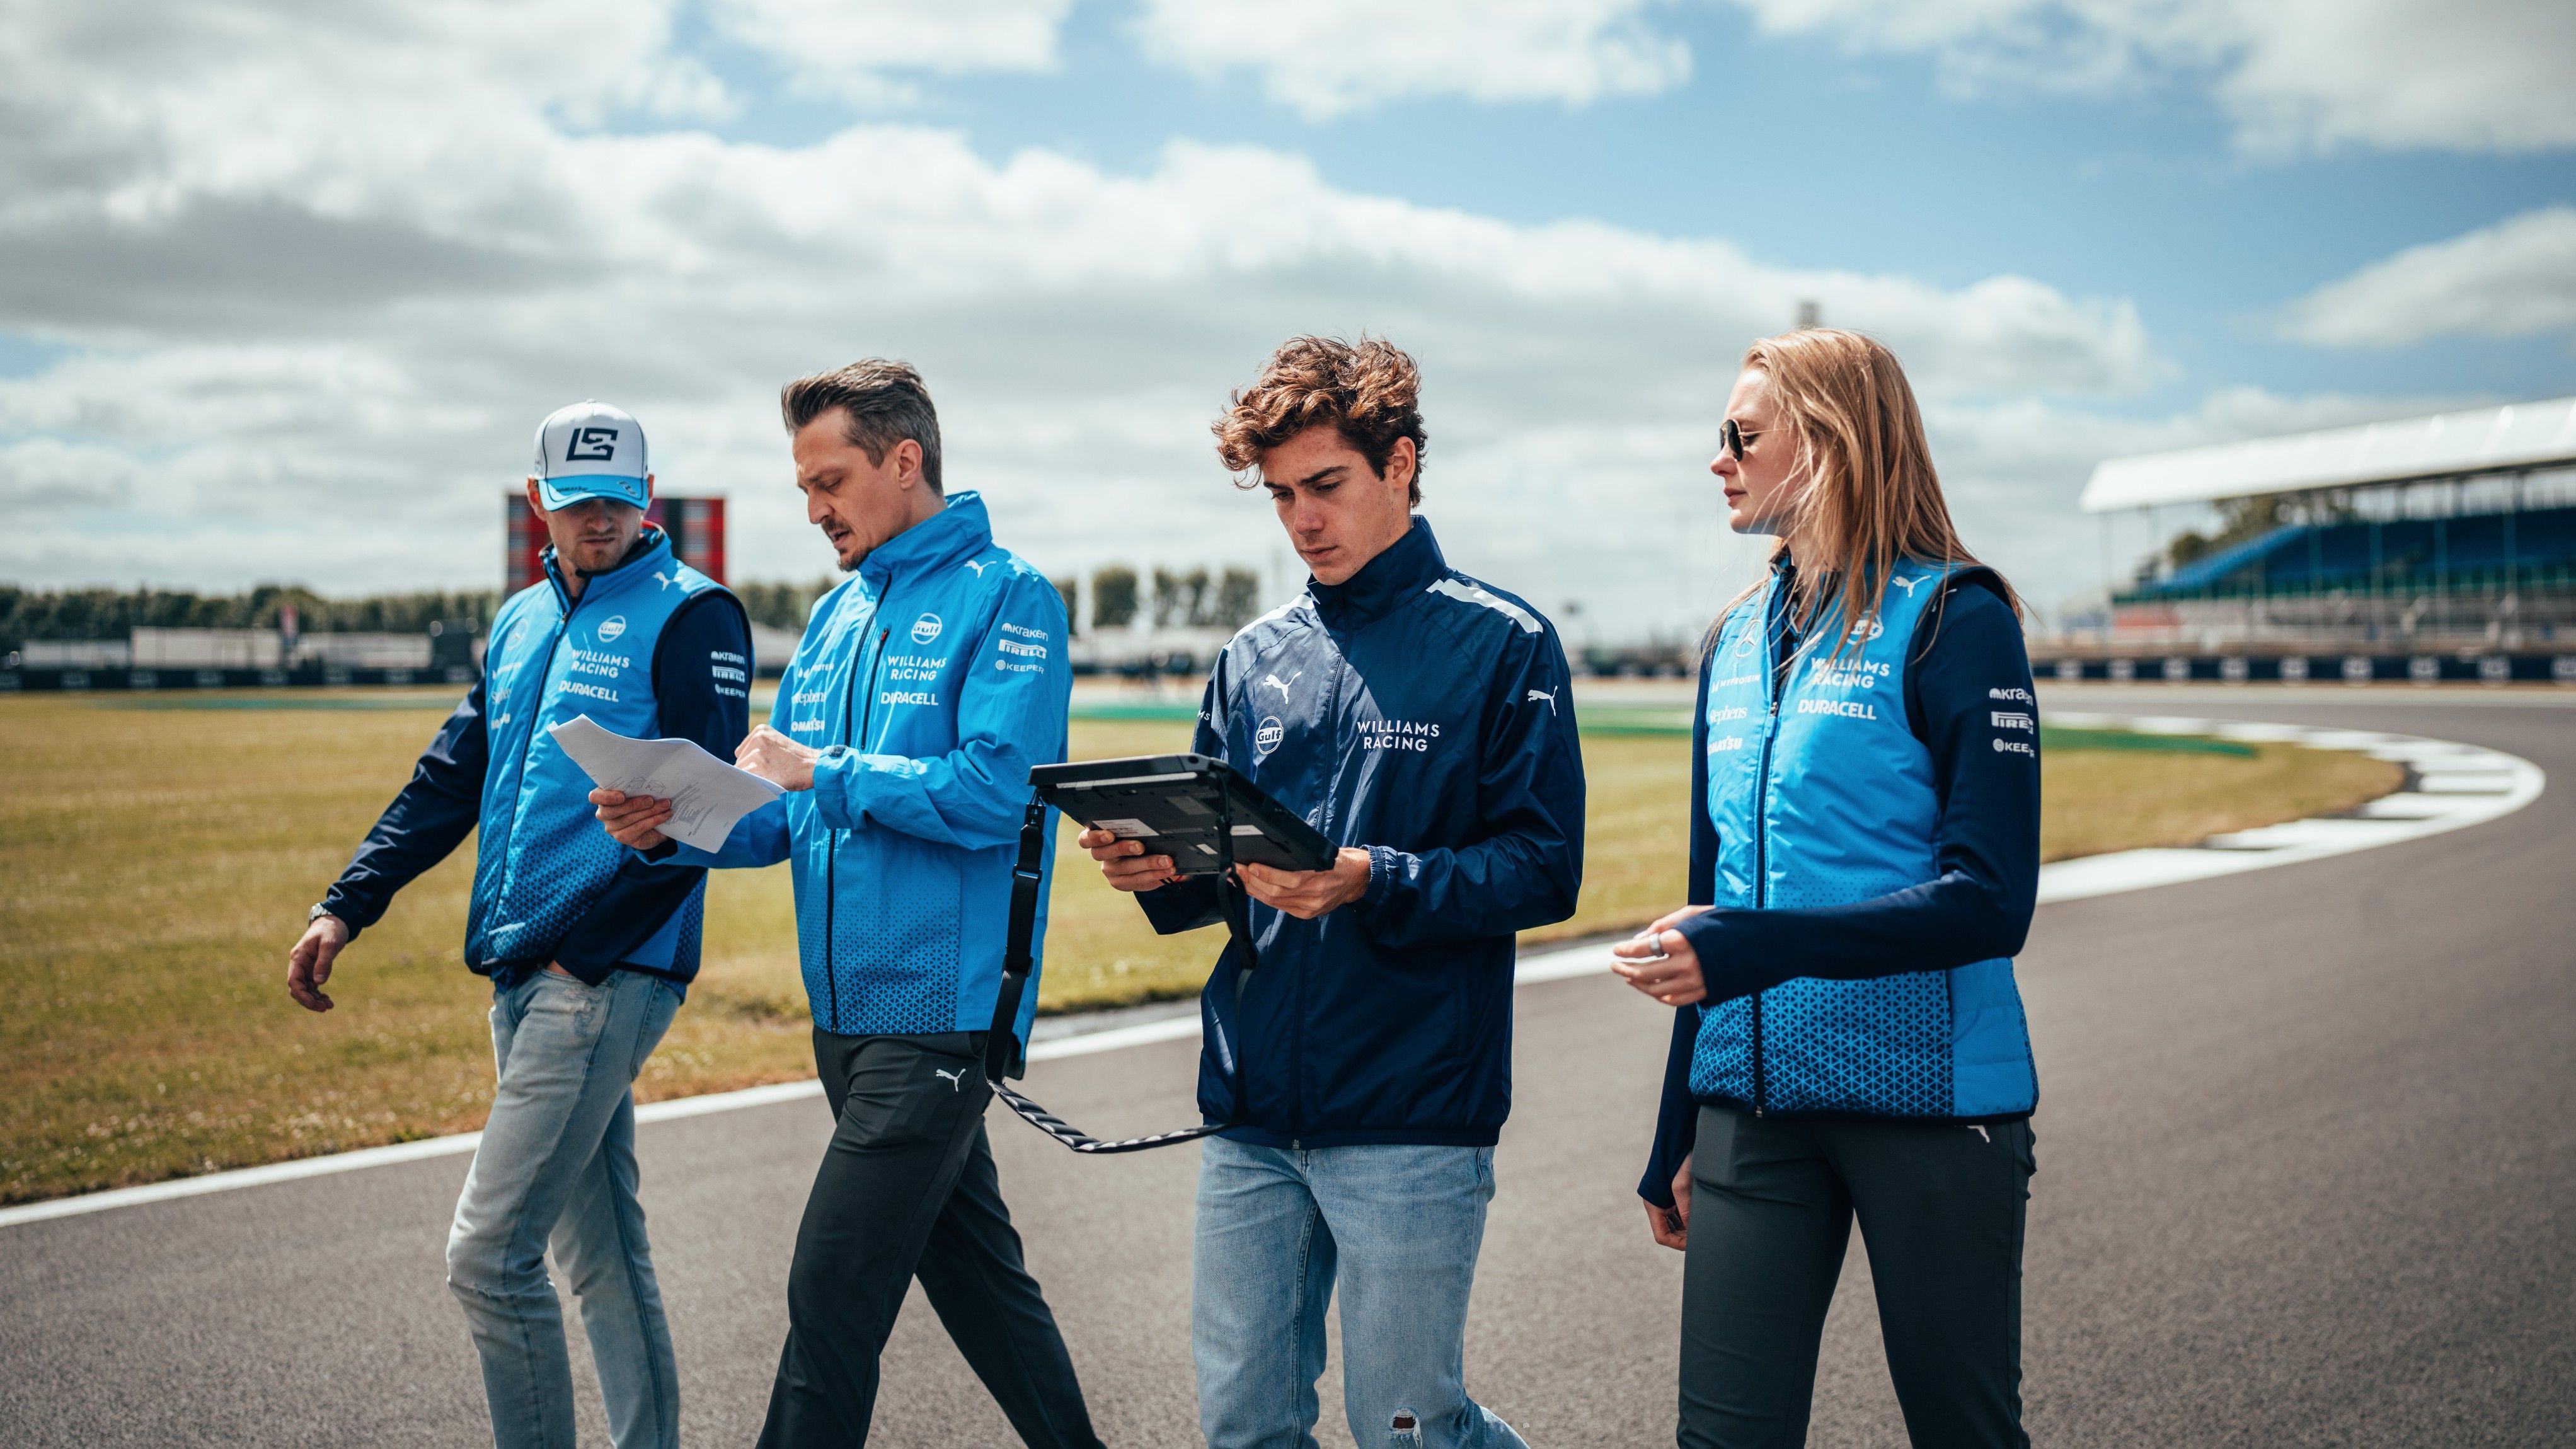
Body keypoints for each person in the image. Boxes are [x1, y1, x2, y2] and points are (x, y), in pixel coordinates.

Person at [1078, 335, 1586, 1449]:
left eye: (1326, 485)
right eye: (1280, 496)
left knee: (1410, 1428)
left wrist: (1371, 878)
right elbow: (1224, 878)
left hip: (1412, 1109)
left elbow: (1547, 866)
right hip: (1251, 1110)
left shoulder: (1503, 643)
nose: (1303, 520)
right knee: (1244, 1427)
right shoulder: (1253, 656)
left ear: (1399, 465)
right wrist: (1159, 873)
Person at [590, 360, 1103, 1449]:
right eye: (805, 488)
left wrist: (825, 769)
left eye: (831, 482)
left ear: (904, 462)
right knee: (985, 1293)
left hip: (939, 1018)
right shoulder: (833, 618)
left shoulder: (1007, 596)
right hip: (845, 1022)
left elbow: (997, 794)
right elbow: (786, 816)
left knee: (829, 1293)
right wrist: (676, 820)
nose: (816, 509)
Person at [284, 400, 750, 1449]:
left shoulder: (694, 615)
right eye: (579, 502)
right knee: (602, 1257)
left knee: (488, 1260)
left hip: (600, 977)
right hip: (523, 973)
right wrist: (346, 905)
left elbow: (706, 812)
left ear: (648, 497)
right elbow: (449, 780)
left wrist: (585, 961)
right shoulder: (520, 620)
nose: (602, 521)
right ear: (540, 499)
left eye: (619, 501)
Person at [1609, 328, 2042, 1448]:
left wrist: (1757, 947)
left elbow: (1991, 901)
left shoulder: (1957, 618)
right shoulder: (1731, 641)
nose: (1718, 458)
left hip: (1933, 1105)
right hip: (1748, 1106)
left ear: (1830, 442)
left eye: (1741, 434)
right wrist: (1676, 1125)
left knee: (1963, 1433)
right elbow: (1710, 905)